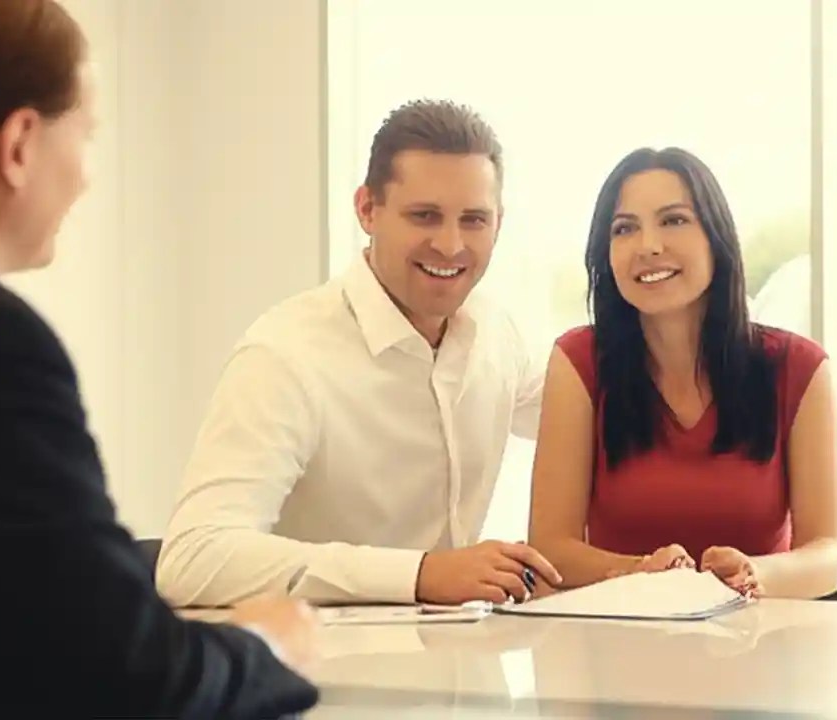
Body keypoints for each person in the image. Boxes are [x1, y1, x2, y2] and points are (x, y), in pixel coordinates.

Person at [0, 1, 318, 715]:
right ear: (19, 144)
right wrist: (269, 648)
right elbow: (122, 669)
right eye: (88, 136)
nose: (86, 177)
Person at [157, 99, 561, 609]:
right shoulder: (286, 355)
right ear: (367, 209)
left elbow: (592, 413)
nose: (450, 244)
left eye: (474, 220)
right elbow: (193, 559)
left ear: (499, 223)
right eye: (425, 216)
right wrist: (418, 575)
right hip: (322, 680)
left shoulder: (497, 335)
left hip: (465, 676)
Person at [527, 147, 837, 599]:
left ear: (716, 237)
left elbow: (828, 553)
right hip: (620, 644)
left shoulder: (800, 368)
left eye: (674, 220)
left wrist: (754, 576)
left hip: (759, 643)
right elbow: (551, 548)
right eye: (624, 228)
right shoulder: (578, 362)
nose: (649, 246)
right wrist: (642, 572)